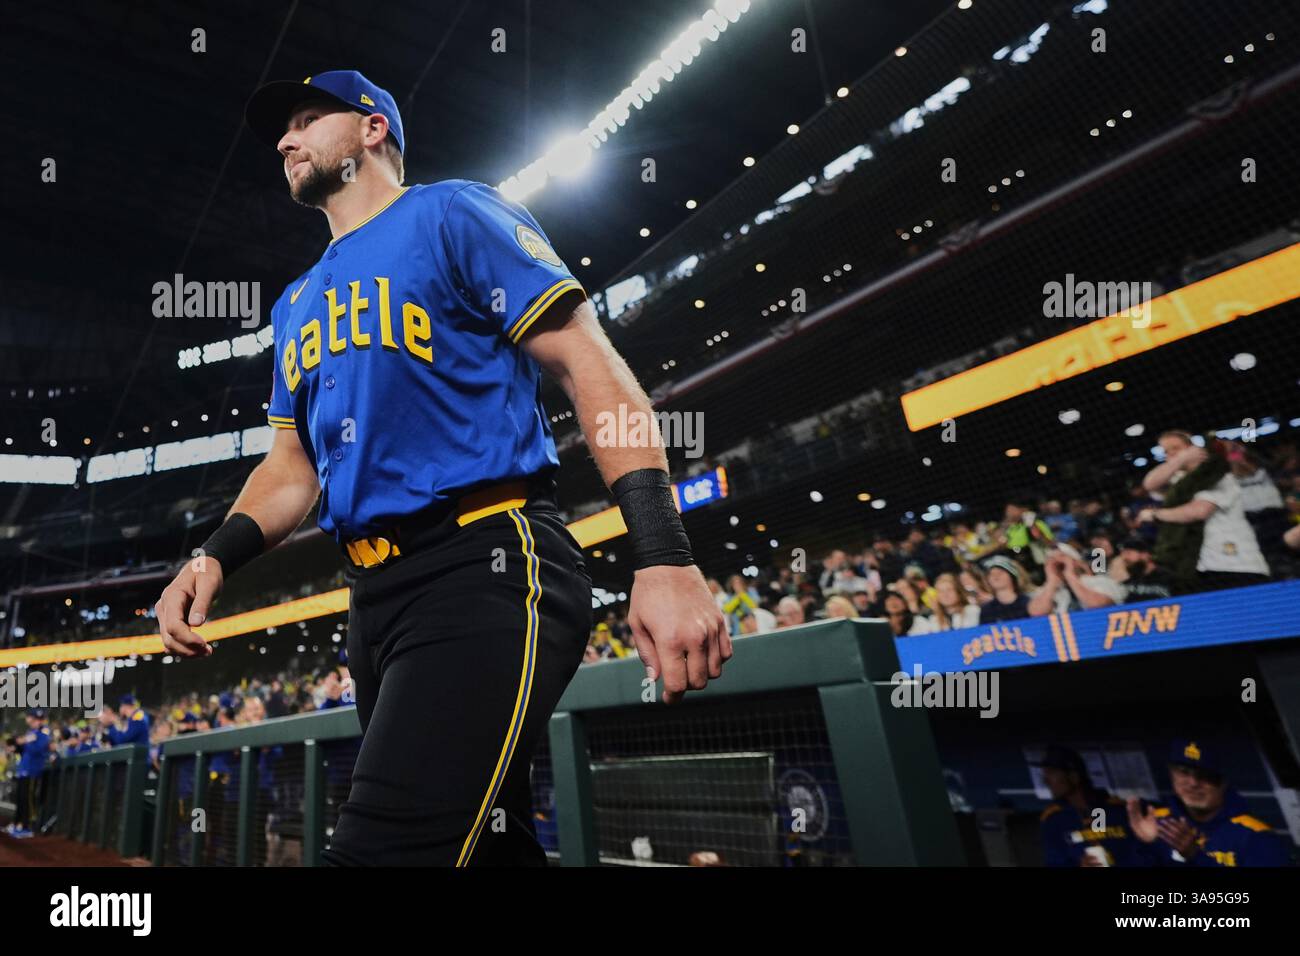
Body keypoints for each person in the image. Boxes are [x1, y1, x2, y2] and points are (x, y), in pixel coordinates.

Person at [154, 70, 729, 866]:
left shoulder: (452, 212)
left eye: (307, 118)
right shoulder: (295, 305)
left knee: (384, 848)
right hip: (373, 605)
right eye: (284, 129)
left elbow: (586, 363)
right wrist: (213, 555)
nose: (286, 140)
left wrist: (664, 554)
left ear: (373, 130)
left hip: (486, 561)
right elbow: (292, 466)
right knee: (487, 843)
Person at [1127, 739, 1293, 867]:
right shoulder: (1159, 823)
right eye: (1184, 772)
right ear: (1172, 775)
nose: (1193, 783)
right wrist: (1147, 845)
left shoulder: (1254, 835)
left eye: (1204, 775)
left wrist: (1195, 856)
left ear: (1223, 783)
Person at [1140, 431, 1269, 592]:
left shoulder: (1218, 475)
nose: (1171, 454)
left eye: (1175, 448)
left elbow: (1199, 511)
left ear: (1194, 449)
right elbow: (1149, 484)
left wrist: (1156, 515)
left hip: (1236, 565)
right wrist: (1181, 459)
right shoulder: (1177, 481)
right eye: (1166, 451)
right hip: (1197, 568)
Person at [1035, 745, 1142, 867]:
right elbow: (1054, 863)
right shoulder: (1053, 819)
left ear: (1073, 776)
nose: (1046, 780)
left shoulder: (1118, 809)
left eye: (1052, 773)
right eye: (1045, 774)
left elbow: (1143, 853)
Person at [5, 709, 51, 838]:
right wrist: (16, 746)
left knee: (28, 799)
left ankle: (27, 826)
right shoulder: (31, 732)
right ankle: (17, 824)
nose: (34, 721)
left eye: (37, 719)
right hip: (24, 770)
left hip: (33, 770)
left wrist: (24, 742)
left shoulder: (43, 732)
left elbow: (39, 749)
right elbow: (24, 750)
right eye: (34, 718)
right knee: (20, 798)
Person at [909, 573, 979, 633]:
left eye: (949, 590)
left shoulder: (973, 610)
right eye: (940, 591)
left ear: (958, 592)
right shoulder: (933, 619)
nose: (945, 595)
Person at [976, 556, 1032, 623]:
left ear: (1012, 576)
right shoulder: (986, 610)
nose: (995, 576)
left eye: (1000, 572)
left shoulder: (1028, 603)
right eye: (991, 574)